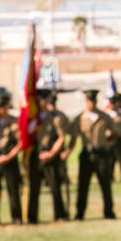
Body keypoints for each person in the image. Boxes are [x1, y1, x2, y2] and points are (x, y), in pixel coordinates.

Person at [70, 89, 119, 220]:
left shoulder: (104, 117)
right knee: (83, 186)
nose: (91, 103)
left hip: (101, 154)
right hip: (86, 154)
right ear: (86, 102)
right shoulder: (80, 118)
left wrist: (107, 142)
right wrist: (67, 151)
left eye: (93, 101)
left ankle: (109, 212)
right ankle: (80, 213)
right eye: (89, 101)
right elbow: (73, 137)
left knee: (105, 184)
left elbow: (115, 132)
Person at [28, 89, 70, 222]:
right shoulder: (31, 118)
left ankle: (59, 215)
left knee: (55, 187)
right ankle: (32, 217)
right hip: (35, 155)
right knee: (34, 189)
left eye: (43, 99)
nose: (41, 102)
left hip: (51, 155)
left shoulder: (55, 117)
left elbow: (61, 138)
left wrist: (51, 153)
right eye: (38, 99)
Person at [0, 91, 23, 225]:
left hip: (10, 158)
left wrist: (8, 156)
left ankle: (16, 217)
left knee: (13, 190)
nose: (1, 109)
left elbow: (20, 143)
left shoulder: (14, 121)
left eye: (4, 106)